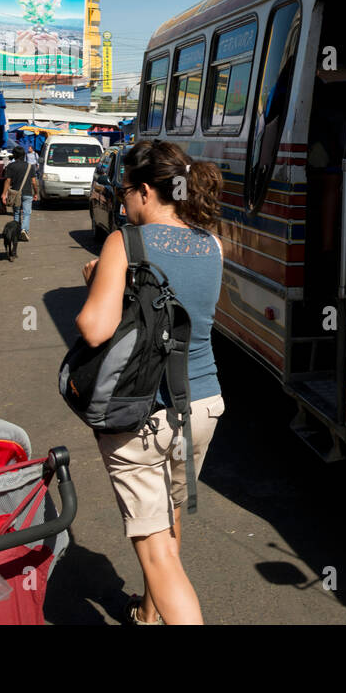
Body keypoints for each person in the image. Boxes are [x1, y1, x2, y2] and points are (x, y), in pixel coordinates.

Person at [74, 140, 225, 625]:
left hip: (142, 412)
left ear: (144, 190)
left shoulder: (125, 242)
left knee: (156, 551)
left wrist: (98, 279)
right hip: (203, 404)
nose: (121, 204)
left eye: (125, 193)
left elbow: (95, 328)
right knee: (170, 517)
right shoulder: (211, 243)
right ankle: (146, 612)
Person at [1, 146, 39, 241]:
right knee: (26, 213)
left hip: (15, 193)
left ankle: (16, 232)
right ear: (24, 155)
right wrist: (36, 193)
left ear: (14, 155)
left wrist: (4, 194)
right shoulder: (30, 166)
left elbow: (8, 181)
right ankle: (24, 230)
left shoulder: (11, 166)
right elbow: (34, 182)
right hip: (27, 193)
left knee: (17, 213)